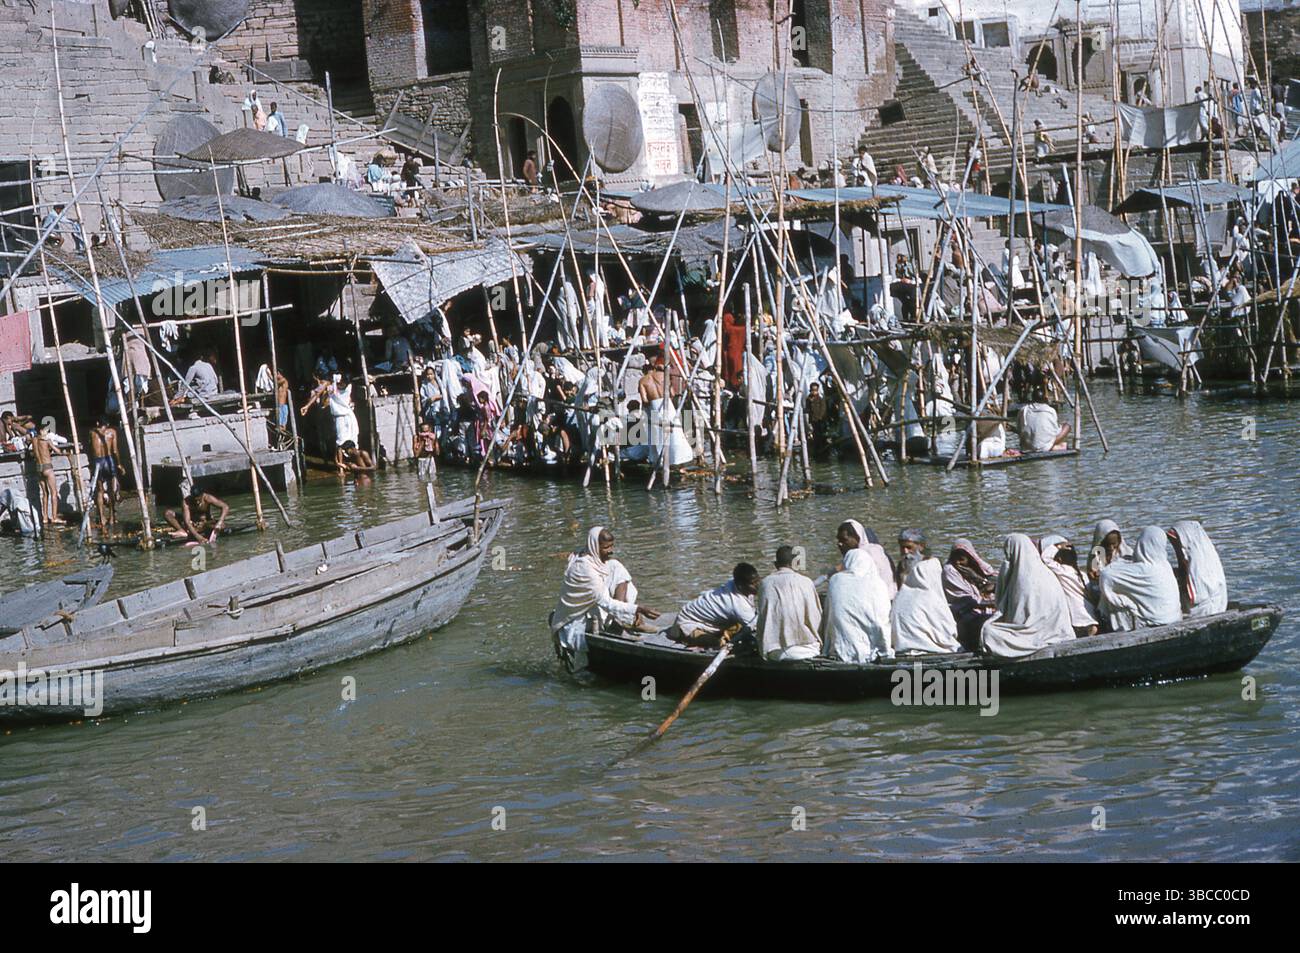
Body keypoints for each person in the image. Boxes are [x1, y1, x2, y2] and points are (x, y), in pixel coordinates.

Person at [550, 527, 659, 671]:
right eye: (606, 547)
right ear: (595, 547)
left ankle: (620, 620)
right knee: (581, 671)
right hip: (577, 620)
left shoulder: (592, 557)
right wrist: (638, 609)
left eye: (612, 546)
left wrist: (627, 611)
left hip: (596, 607)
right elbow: (605, 602)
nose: (611, 550)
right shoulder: (584, 569)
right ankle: (623, 618)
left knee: (616, 566)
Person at [979, 533, 1076, 658]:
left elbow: (1013, 615)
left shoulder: (1021, 579)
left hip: (1033, 634)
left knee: (988, 631)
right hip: (1059, 631)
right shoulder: (1047, 572)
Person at [1098, 526, 1183, 632]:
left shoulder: (1142, 568)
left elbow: (1106, 576)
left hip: (1153, 623)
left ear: (1140, 542)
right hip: (1174, 618)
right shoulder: (1165, 565)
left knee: (1112, 595)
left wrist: (1117, 564)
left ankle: (1113, 630)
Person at [822, 548, 892, 662]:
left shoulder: (836, 580)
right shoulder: (878, 583)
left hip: (842, 650)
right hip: (872, 651)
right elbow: (883, 618)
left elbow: (828, 615)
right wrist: (885, 649)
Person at [669, 562, 760, 647]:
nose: (758, 585)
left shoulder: (737, 584)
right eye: (753, 583)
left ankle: (724, 634)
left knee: (742, 627)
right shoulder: (738, 604)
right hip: (687, 624)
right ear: (740, 585)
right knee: (719, 644)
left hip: (709, 622)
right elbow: (759, 628)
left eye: (758, 580)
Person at [756, 546, 822, 661]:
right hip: (807, 651)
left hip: (775, 653)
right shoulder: (806, 582)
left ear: (776, 564)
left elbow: (762, 621)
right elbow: (815, 619)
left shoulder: (764, 584)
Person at [891, 556, 962, 655]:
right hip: (931, 650)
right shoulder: (930, 597)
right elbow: (949, 632)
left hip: (902, 650)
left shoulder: (900, 595)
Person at [1038, 533, 1099, 636]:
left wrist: (1057, 547)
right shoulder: (1081, 574)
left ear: (1059, 560)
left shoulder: (1063, 571)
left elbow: (1046, 558)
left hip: (1078, 618)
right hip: (1090, 615)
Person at [942, 538, 997, 650]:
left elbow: (996, 581)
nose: (958, 563)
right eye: (955, 559)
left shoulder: (973, 570)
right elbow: (969, 601)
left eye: (961, 559)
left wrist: (977, 578)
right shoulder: (950, 571)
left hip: (981, 608)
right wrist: (994, 603)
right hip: (962, 615)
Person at [1166, 520, 1227, 617]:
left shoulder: (1198, 564)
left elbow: (1198, 596)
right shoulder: (1202, 553)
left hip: (1207, 609)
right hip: (1218, 604)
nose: (1175, 549)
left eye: (1176, 544)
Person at [164, 487, 229, 545]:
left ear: (202, 495)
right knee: (168, 513)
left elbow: (225, 507)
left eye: (199, 500)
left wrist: (219, 522)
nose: (197, 502)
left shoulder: (207, 498)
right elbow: (187, 522)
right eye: (195, 500)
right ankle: (181, 530)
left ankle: (194, 530)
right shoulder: (186, 502)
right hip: (191, 523)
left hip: (205, 523)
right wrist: (198, 536)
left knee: (222, 525)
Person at [88, 417, 121, 528]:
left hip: (97, 461)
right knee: (111, 490)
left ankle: (102, 517)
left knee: (100, 491)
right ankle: (112, 517)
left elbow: (90, 447)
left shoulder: (92, 432)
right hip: (109, 460)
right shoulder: (112, 432)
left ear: (98, 423)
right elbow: (115, 450)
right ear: (107, 423)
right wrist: (119, 464)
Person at [31, 423, 64, 527]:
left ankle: (45, 517)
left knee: (45, 494)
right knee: (54, 493)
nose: (47, 433)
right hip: (47, 467)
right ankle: (54, 517)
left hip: (39, 468)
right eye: (46, 431)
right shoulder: (46, 441)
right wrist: (64, 453)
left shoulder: (34, 440)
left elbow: (33, 453)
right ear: (42, 431)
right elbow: (57, 451)